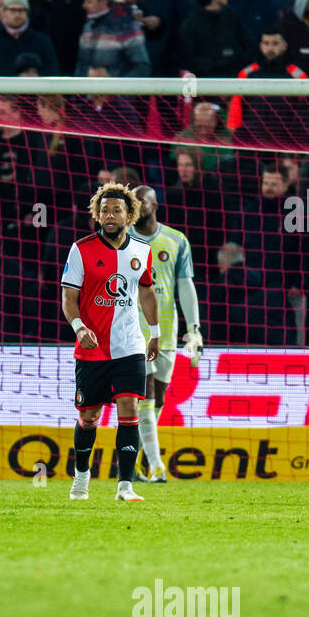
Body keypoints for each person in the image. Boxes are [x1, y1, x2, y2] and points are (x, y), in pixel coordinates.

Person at [60, 181, 160, 502]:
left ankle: (125, 485)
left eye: (117, 210)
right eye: (104, 210)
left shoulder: (141, 251)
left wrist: (155, 333)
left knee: (129, 406)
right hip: (92, 348)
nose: (110, 215)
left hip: (129, 345)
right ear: (97, 215)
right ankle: (82, 476)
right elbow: (68, 296)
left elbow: (146, 290)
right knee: (88, 416)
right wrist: (78, 327)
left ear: (129, 214)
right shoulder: (81, 249)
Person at [125, 186, 201, 483]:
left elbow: (185, 285)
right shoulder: (122, 239)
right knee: (144, 397)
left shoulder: (176, 240)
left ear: (155, 205)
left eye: (141, 201)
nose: (136, 206)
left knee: (157, 401)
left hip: (167, 333)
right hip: (134, 332)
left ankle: (134, 463)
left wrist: (194, 330)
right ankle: (157, 466)